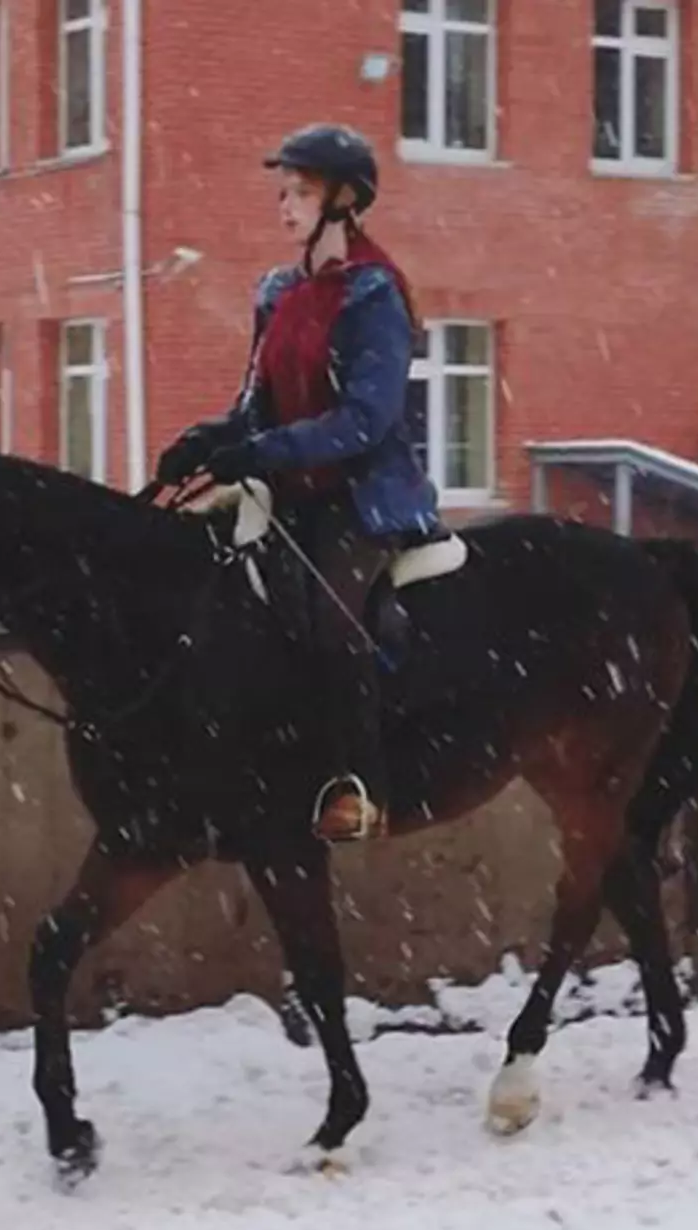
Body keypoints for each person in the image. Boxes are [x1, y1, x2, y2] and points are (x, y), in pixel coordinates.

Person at [155, 122, 440, 842]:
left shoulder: (375, 293)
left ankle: (361, 784)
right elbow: (257, 404)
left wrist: (263, 451)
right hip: (289, 489)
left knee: (330, 612)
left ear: (344, 201)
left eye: (301, 193)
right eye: (283, 192)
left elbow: (365, 422)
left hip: (362, 497)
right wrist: (210, 440)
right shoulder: (279, 290)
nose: (285, 207)